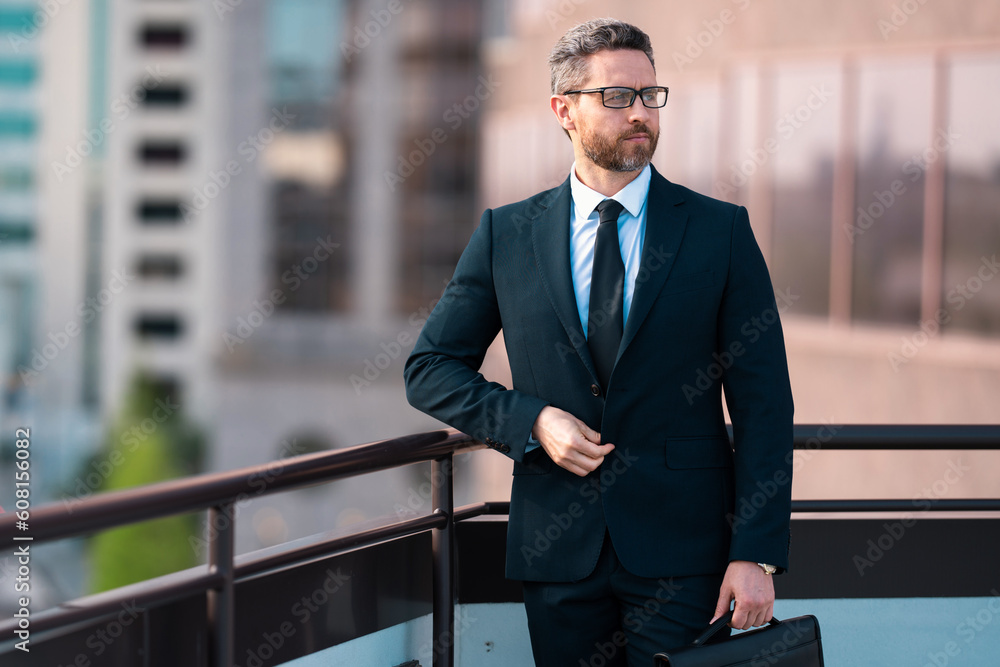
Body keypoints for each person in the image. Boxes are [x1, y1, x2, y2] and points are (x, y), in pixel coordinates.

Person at [404, 18, 794, 666]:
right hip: (558, 554)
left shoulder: (719, 232)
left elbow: (765, 405)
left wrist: (755, 552)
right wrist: (533, 421)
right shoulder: (507, 234)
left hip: (684, 558)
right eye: (616, 96)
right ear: (564, 110)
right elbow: (430, 368)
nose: (640, 112)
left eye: (649, 94)